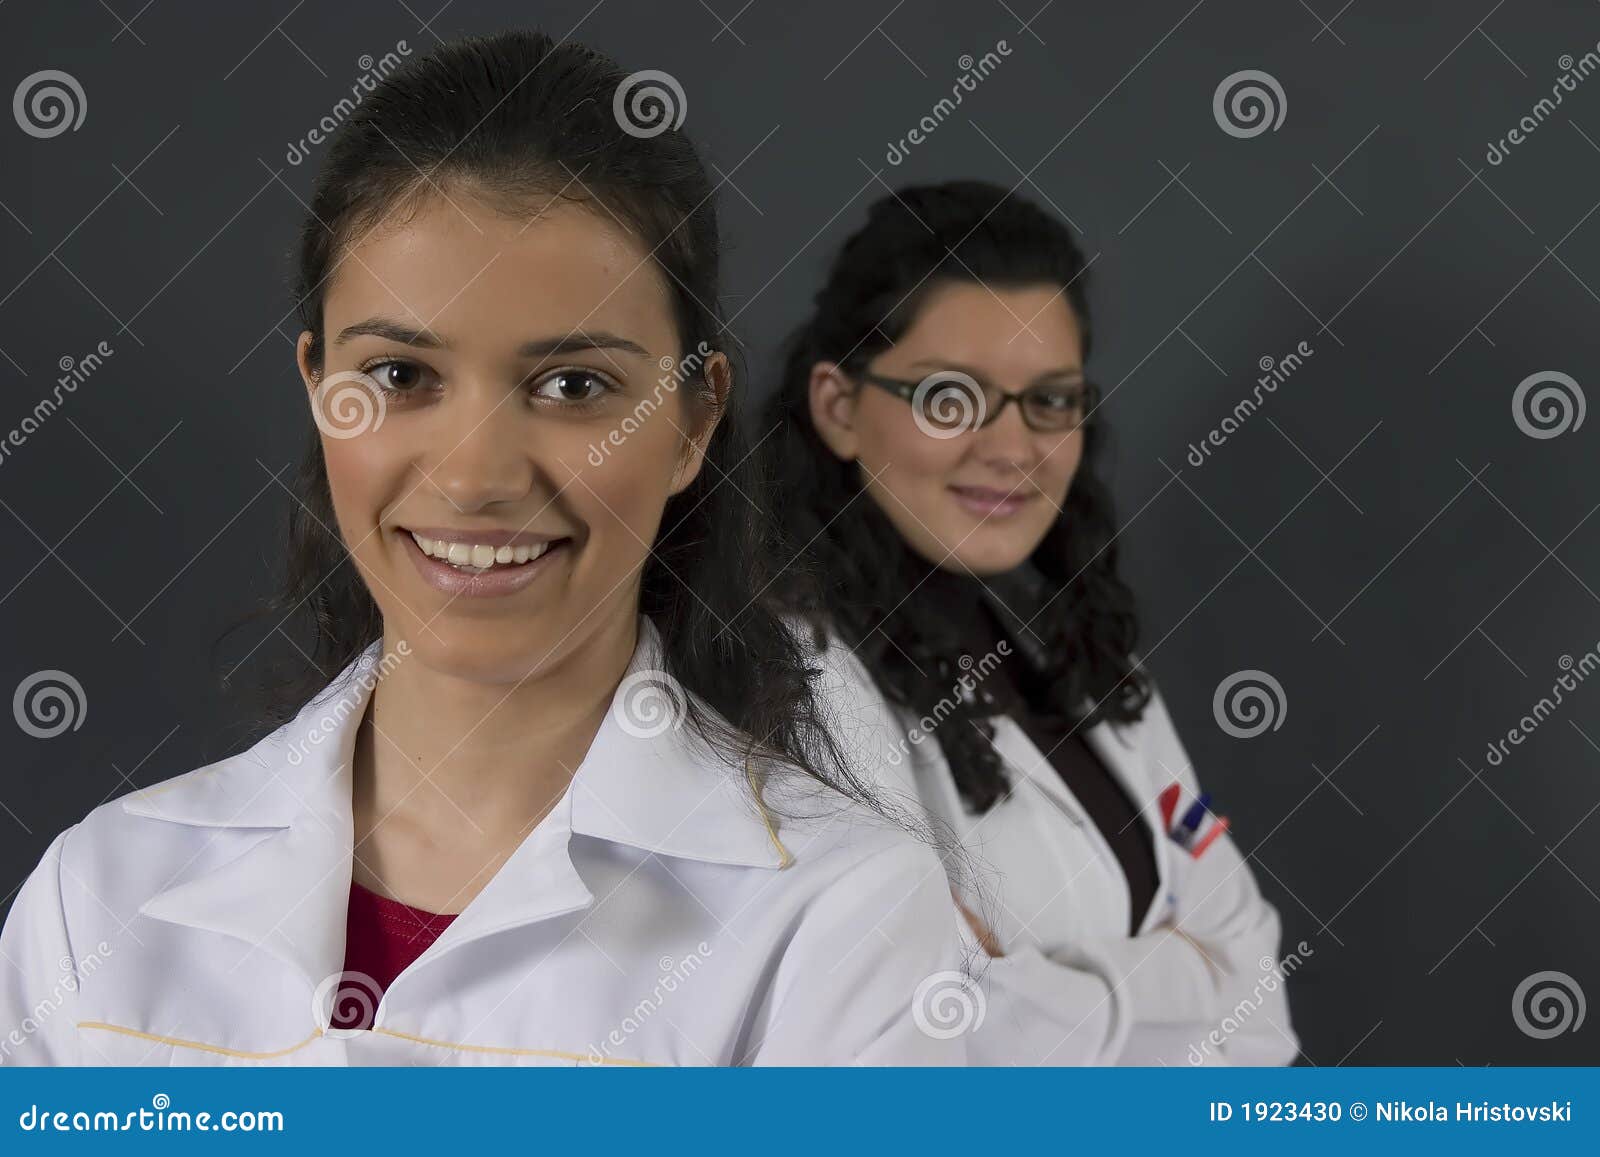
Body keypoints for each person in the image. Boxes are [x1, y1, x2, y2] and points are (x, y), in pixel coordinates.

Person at [0, 30, 968, 1067]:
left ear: (693, 419)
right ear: (319, 391)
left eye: (573, 386)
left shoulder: (840, 924)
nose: (475, 477)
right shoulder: (96, 896)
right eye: (401, 376)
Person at [762, 180, 1300, 1065]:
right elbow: (919, 1048)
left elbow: (1257, 1002)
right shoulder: (792, 681)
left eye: (1049, 400)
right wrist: (1175, 981)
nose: (1012, 448)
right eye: (948, 397)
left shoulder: (1083, 658)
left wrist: (1035, 989)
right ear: (840, 406)